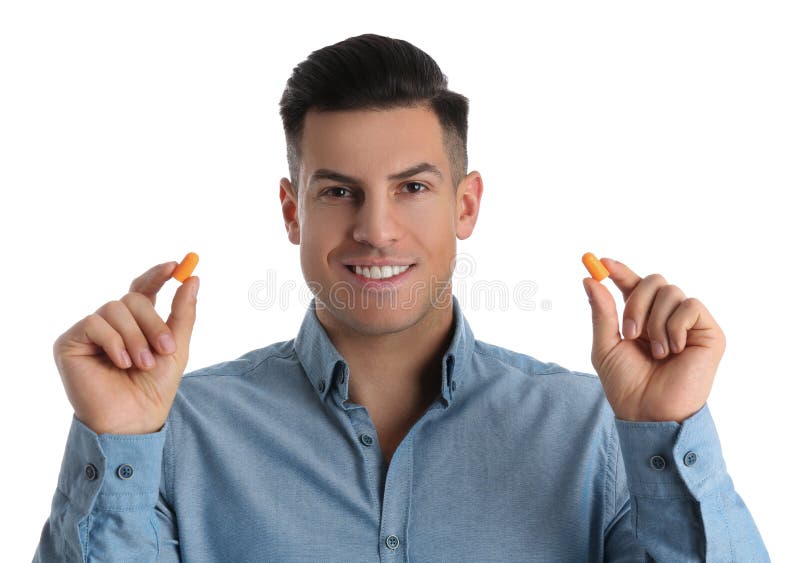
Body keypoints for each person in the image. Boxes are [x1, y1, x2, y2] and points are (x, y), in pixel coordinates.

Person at [34, 33, 769, 561]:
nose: (375, 230)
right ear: (292, 211)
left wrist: (668, 431)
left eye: (412, 187)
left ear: (467, 205)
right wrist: (122, 443)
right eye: (338, 191)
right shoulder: (176, 434)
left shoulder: (595, 433)